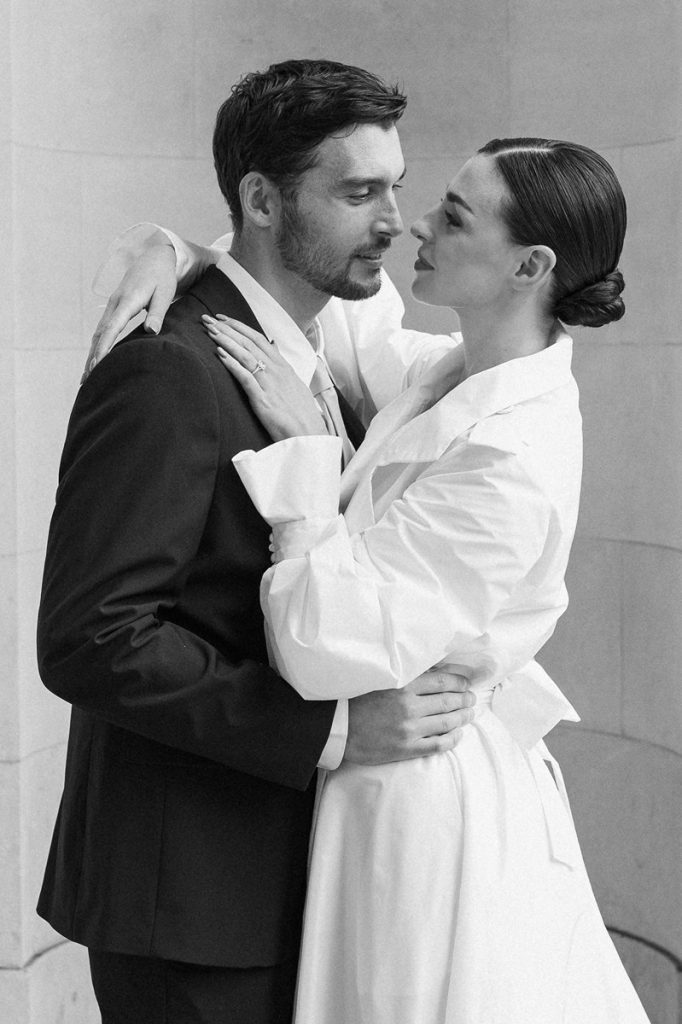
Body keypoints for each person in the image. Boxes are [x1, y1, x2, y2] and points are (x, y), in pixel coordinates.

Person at [36, 60, 477, 1024]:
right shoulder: (167, 365)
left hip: (294, 887)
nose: (394, 221)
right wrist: (334, 733)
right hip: (189, 904)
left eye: (396, 188)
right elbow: (91, 636)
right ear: (263, 199)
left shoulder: (332, 360)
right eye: (359, 192)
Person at [196, 138, 651, 1022]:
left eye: (455, 215)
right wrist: (171, 248)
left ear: (531, 264)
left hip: (422, 790)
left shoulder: (513, 450)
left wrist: (305, 460)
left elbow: (321, 647)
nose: (414, 227)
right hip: (387, 769)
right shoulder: (458, 369)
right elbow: (343, 310)